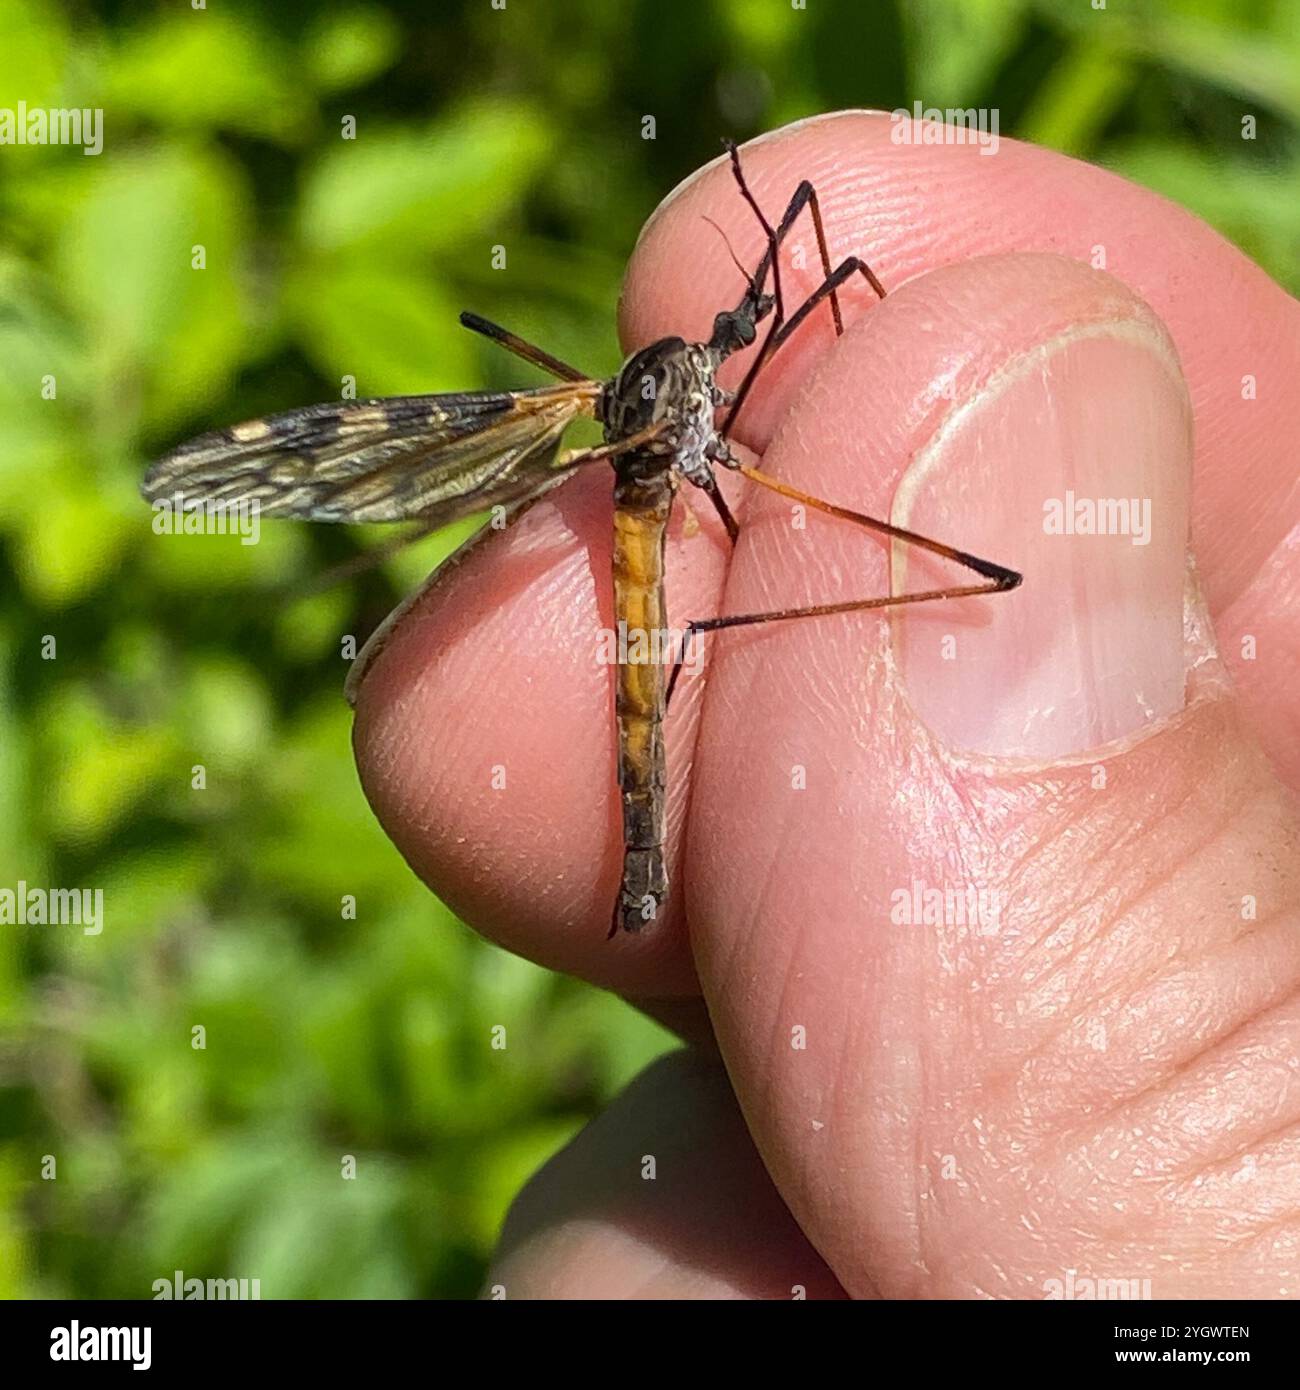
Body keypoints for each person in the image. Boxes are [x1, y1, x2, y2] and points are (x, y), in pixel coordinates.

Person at [351, 112, 1300, 1299]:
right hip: (659, 535)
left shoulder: (700, 362)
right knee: (970, 564)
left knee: (839, 267)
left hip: (666, 460)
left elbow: (818, 272)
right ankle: (714, 650)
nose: (744, 323)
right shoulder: (652, 415)